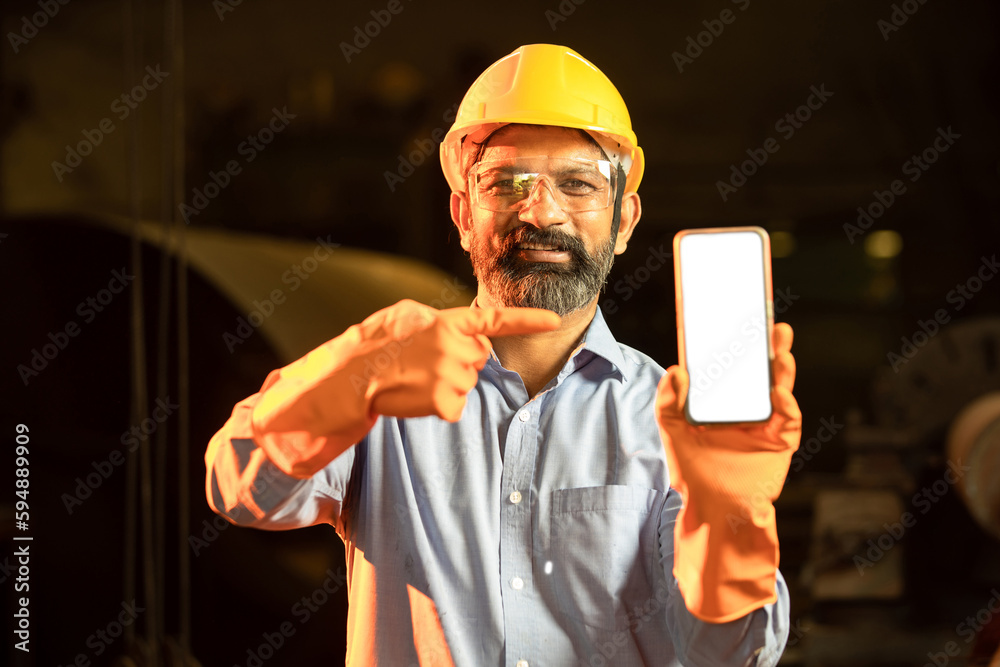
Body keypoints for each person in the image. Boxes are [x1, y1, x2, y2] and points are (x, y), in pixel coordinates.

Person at [205, 43, 802, 666]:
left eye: (577, 185)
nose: (540, 211)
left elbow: (732, 654)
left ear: (624, 222)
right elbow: (242, 489)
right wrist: (351, 376)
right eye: (506, 183)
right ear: (464, 215)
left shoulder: (672, 422)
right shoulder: (384, 388)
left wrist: (730, 513)